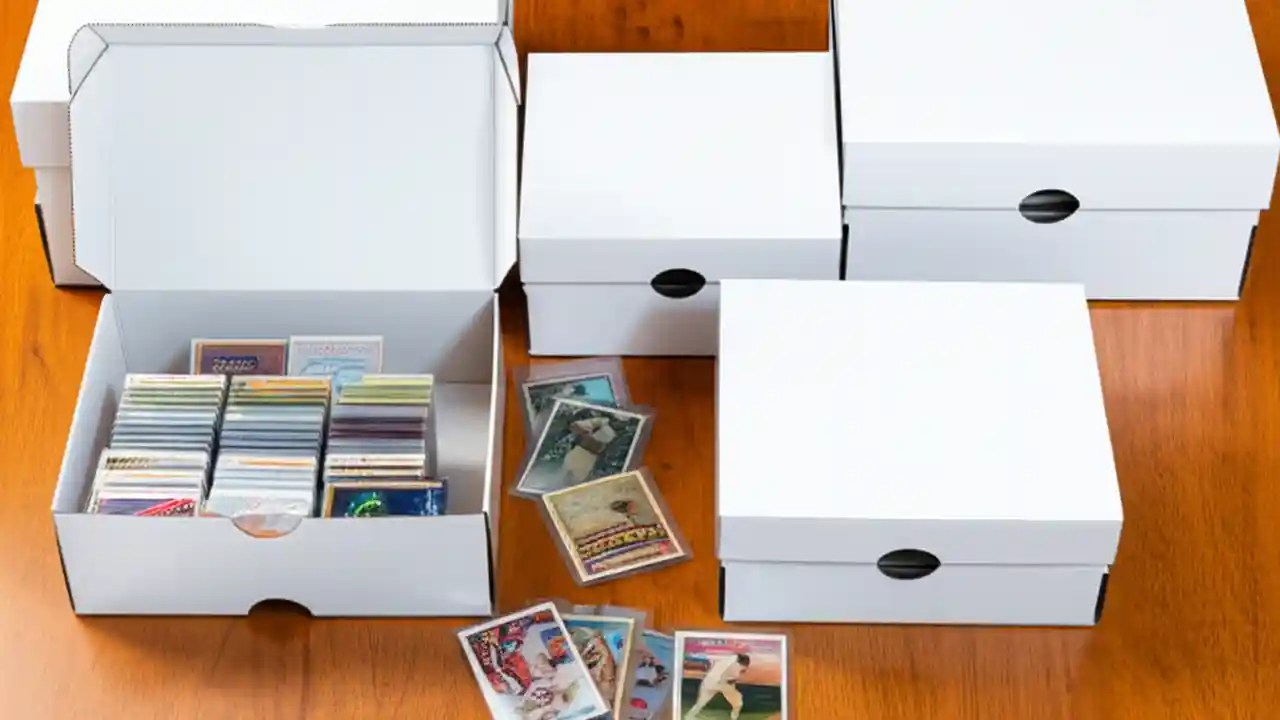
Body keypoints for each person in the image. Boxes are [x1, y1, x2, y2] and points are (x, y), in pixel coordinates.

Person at [685, 654, 750, 720]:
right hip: (721, 683)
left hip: (708, 682)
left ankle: (689, 717)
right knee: (738, 702)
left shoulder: (730, 659)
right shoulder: (736, 666)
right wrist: (737, 677)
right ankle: (734, 717)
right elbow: (729, 680)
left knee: (701, 702)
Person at [560, 415, 616, 483]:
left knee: (573, 483)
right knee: (565, 479)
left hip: (590, 459)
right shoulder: (602, 421)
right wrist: (585, 432)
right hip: (579, 454)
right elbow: (575, 426)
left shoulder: (623, 433)